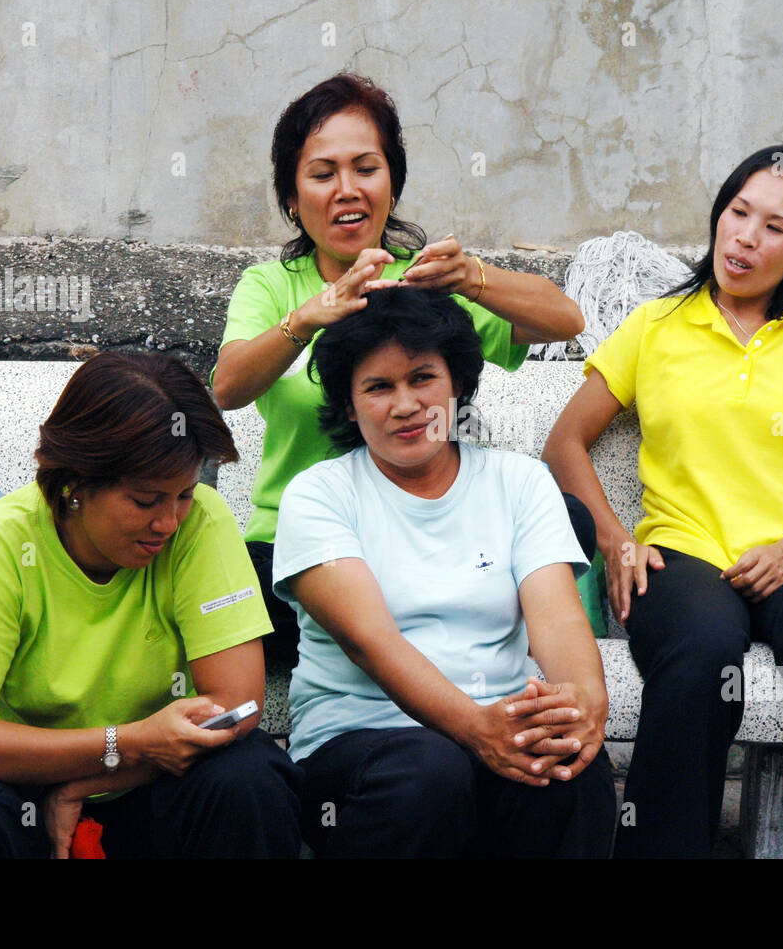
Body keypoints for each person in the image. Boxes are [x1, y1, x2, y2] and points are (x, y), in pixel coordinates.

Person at [542, 145, 783, 858]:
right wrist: (616, 540)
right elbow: (564, 443)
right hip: (681, 555)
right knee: (703, 650)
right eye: (738, 213)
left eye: (774, 227)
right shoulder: (656, 327)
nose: (744, 237)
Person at [212, 73, 590, 670]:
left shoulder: (431, 280)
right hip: (305, 548)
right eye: (321, 174)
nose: (346, 190)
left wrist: (473, 278)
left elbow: (565, 320)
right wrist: (309, 319)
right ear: (291, 197)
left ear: (392, 181)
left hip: (433, 542)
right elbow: (228, 387)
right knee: (224, 600)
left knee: (566, 522)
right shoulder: (271, 287)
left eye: (366, 168)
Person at [0, 352, 302, 859]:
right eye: (145, 500)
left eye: (184, 494)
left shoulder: (202, 525)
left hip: (156, 780)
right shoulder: (0, 542)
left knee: (248, 778)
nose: (169, 522)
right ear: (74, 485)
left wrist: (90, 780)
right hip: (26, 791)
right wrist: (124, 742)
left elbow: (237, 705)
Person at [271, 287, 616, 858]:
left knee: (569, 768)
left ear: (457, 384)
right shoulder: (319, 495)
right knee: (431, 771)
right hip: (364, 743)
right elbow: (369, 641)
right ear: (349, 405)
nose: (405, 405)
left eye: (422, 378)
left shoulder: (520, 482)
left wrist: (582, 704)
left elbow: (555, 617)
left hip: (504, 724)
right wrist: (477, 731)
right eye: (378, 387)